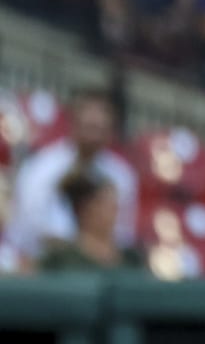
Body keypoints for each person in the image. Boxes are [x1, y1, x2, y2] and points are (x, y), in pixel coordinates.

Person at [7, 88, 138, 263]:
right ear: (74, 123)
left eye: (101, 128)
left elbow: (123, 234)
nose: (94, 136)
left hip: (99, 265)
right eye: (90, 127)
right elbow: (28, 231)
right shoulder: (42, 168)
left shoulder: (121, 175)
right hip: (47, 266)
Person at [36, 167, 145, 273]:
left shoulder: (132, 258)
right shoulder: (59, 259)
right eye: (105, 203)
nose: (115, 209)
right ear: (84, 209)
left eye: (114, 202)